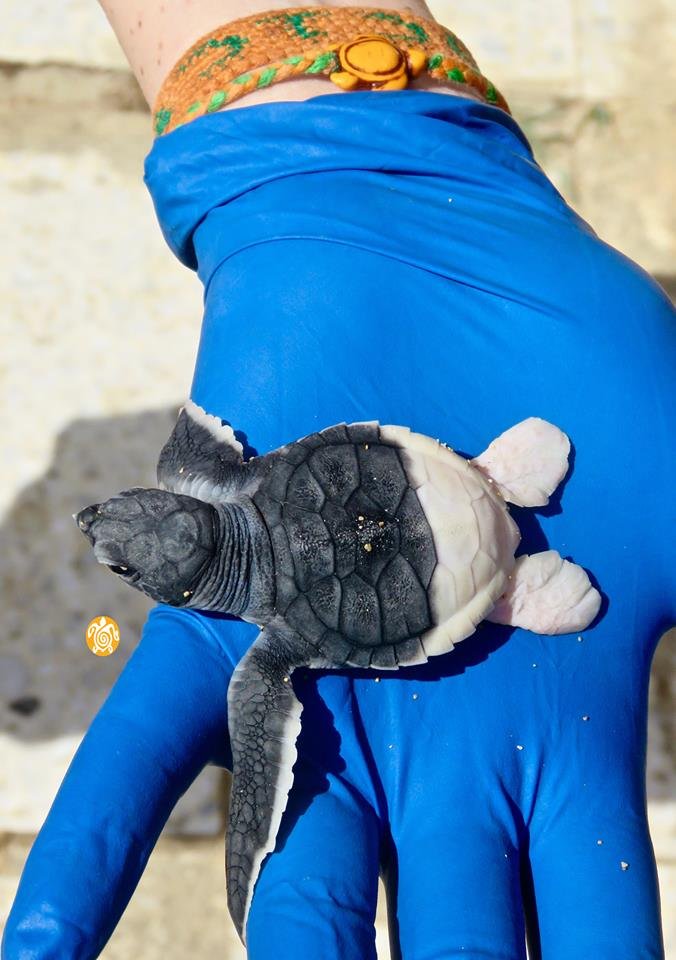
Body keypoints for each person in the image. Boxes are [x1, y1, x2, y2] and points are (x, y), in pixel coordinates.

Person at [3, 2, 674, 957]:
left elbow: (266, 736)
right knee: (501, 521)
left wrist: (313, 175)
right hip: (444, 473)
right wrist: (324, 150)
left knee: (504, 612)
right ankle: (510, 527)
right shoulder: (231, 473)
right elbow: (201, 450)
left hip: (453, 601)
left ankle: (517, 590)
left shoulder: (273, 656)